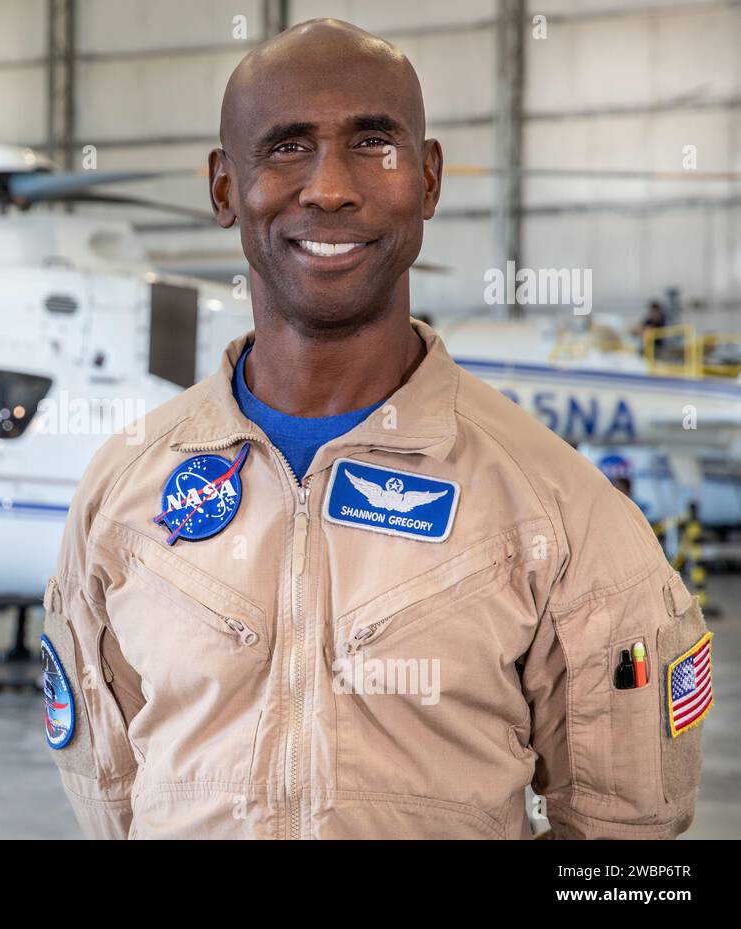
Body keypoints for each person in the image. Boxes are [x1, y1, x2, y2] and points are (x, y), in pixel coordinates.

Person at [40, 19, 709, 839]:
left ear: (427, 180)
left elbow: (627, 839)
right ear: (223, 189)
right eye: (286, 147)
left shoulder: (561, 509)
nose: (328, 187)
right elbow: (110, 792)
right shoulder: (122, 491)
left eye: (372, 144)